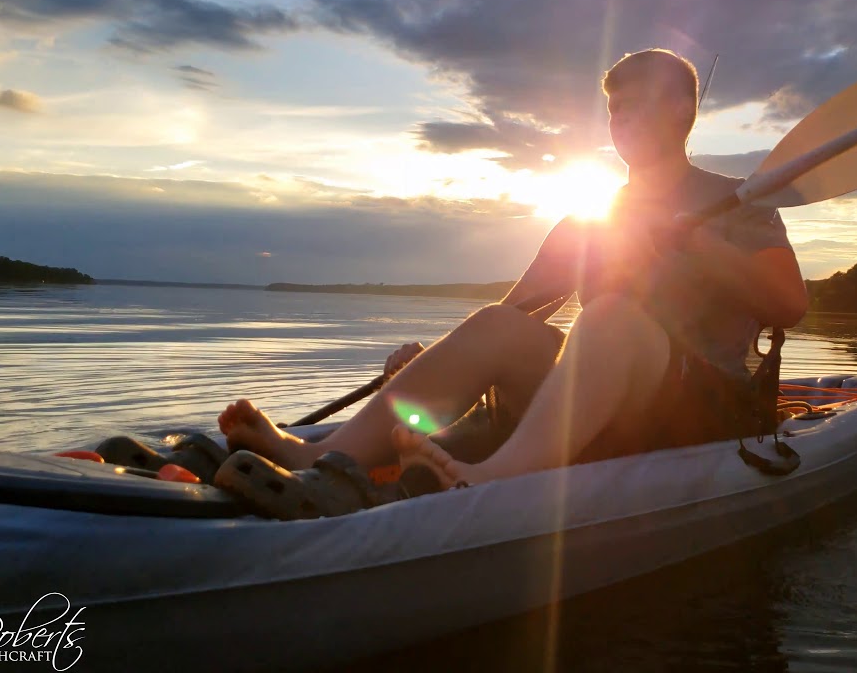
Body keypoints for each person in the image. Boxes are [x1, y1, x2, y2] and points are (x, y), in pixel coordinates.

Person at [218, 48, 807, 488]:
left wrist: (697, 242)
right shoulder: (590, 220)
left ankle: (493, 480)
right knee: (494, 323)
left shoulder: (737, 203)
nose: (620, 117)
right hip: (610, 404)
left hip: (703, 407)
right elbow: (513, 316)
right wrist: (433, 367)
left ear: (683, 109)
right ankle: (314, 457)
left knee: (609, 317)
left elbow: (789, 304)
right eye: (613, 107)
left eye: (638, 102)